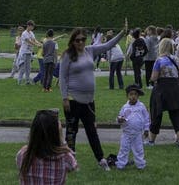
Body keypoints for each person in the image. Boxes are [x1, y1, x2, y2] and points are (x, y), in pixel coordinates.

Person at [60, 23, 127, 171]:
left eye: (83, 39)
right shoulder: (67, 55)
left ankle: (100, 159)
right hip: (73, 100)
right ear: (72, 41)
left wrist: (122, 32)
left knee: (92, 131)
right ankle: (70, 161)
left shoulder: (90, 51)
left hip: (89, 100)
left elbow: (108, 45)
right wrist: (65, 98)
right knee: (71, 132)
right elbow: (63, 77)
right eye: (77, 40)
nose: (81, 42)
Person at [147, 37, 179, 148]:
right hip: (175, 87)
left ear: (161, 46)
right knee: (175, 114)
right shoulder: (176, 59)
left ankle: (151, 140)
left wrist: (152, 78)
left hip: (162, 88)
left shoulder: (159, 60)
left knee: (156, 114)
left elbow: (154, 77)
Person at [16, 109, 78, 184]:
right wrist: (61, 138)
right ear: (56, 134)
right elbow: (73, 165)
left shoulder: (23, 154)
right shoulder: (65, 157)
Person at [116, 84, 150, 170]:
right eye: (131, 94)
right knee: (123, 149)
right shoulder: (125, 107)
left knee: (138, 150)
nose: (133, 96)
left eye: (135, 94)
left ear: (138, 96)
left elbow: (146, 118)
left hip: (137, 134)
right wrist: (119, 120)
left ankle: (141, 165)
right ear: (127, 96)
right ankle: (120, 164)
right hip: (126, 133)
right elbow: (120, 117)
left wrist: (146, 129)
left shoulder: (141, 106)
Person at [18, 20, 41, 85]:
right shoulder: (24, 33)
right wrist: (37, 45)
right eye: (31, 26)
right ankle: (19, 81)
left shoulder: (31, 33)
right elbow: (29, 41)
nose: (32, 28)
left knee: (29, 67)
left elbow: (34, 40)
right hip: (24, 52)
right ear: (28, 26)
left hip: (29, 52)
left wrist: (40, 43)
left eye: (33, 27)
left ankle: (27, 81)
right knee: (23, 67)